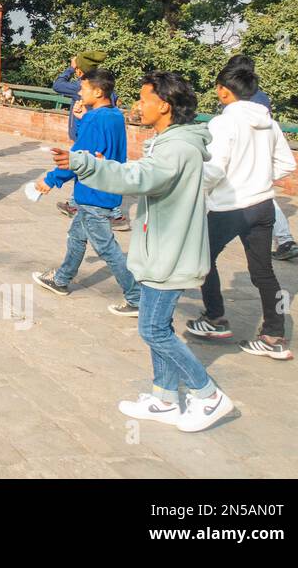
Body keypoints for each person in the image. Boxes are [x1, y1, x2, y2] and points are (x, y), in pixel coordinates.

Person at [54, 71, 233, 432]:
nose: (138, 104)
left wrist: (83, 163)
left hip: (171, 254)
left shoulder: (177, 147)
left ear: (164, 105)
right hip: (161, 250)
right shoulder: (171, 143)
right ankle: (165, 398)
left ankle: (208, 395)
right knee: (159, 326)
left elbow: (137, 178)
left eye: (144, 98)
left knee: (152, 329)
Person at [186, 60, 297, 360]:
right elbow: (288, 164)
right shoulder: (270, 123)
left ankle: (214, 318)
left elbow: (214, 169)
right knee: (263, 272)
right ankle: (275, 335)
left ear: (224, 92)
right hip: (262, 206)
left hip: (229, 206)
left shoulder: (223, 123)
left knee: (202, 258)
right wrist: (258, 178)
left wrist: (196, 189)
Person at [31, 67, 141, 316]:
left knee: (107, 248)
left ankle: (135, 296)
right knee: (77, 236)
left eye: (83, 89)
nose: (79, 93)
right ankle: (61, 279)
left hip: (93, 192)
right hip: (107, 187)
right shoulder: (113, 115)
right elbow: (93, 146)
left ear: (98, 91)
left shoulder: (96, 119)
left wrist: (51, 180)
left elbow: (77, 157)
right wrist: (83, 119)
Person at [226, 54, 298, 261]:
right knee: (262, 195)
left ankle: (285, 240)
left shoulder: (242, 98)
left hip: (248, 154)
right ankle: (284, 240)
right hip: (258, 152)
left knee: (261, 197)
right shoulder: (261, 96)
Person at [54, 49, 130, 232]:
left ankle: (105, 211)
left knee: (82, 165)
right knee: (104, 167)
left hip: (87, 135)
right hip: (97, 136)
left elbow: (57, 85)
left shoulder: (84, 88)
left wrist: (70, 69)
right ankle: (109, 210)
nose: (81, 92)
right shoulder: (106, 91)